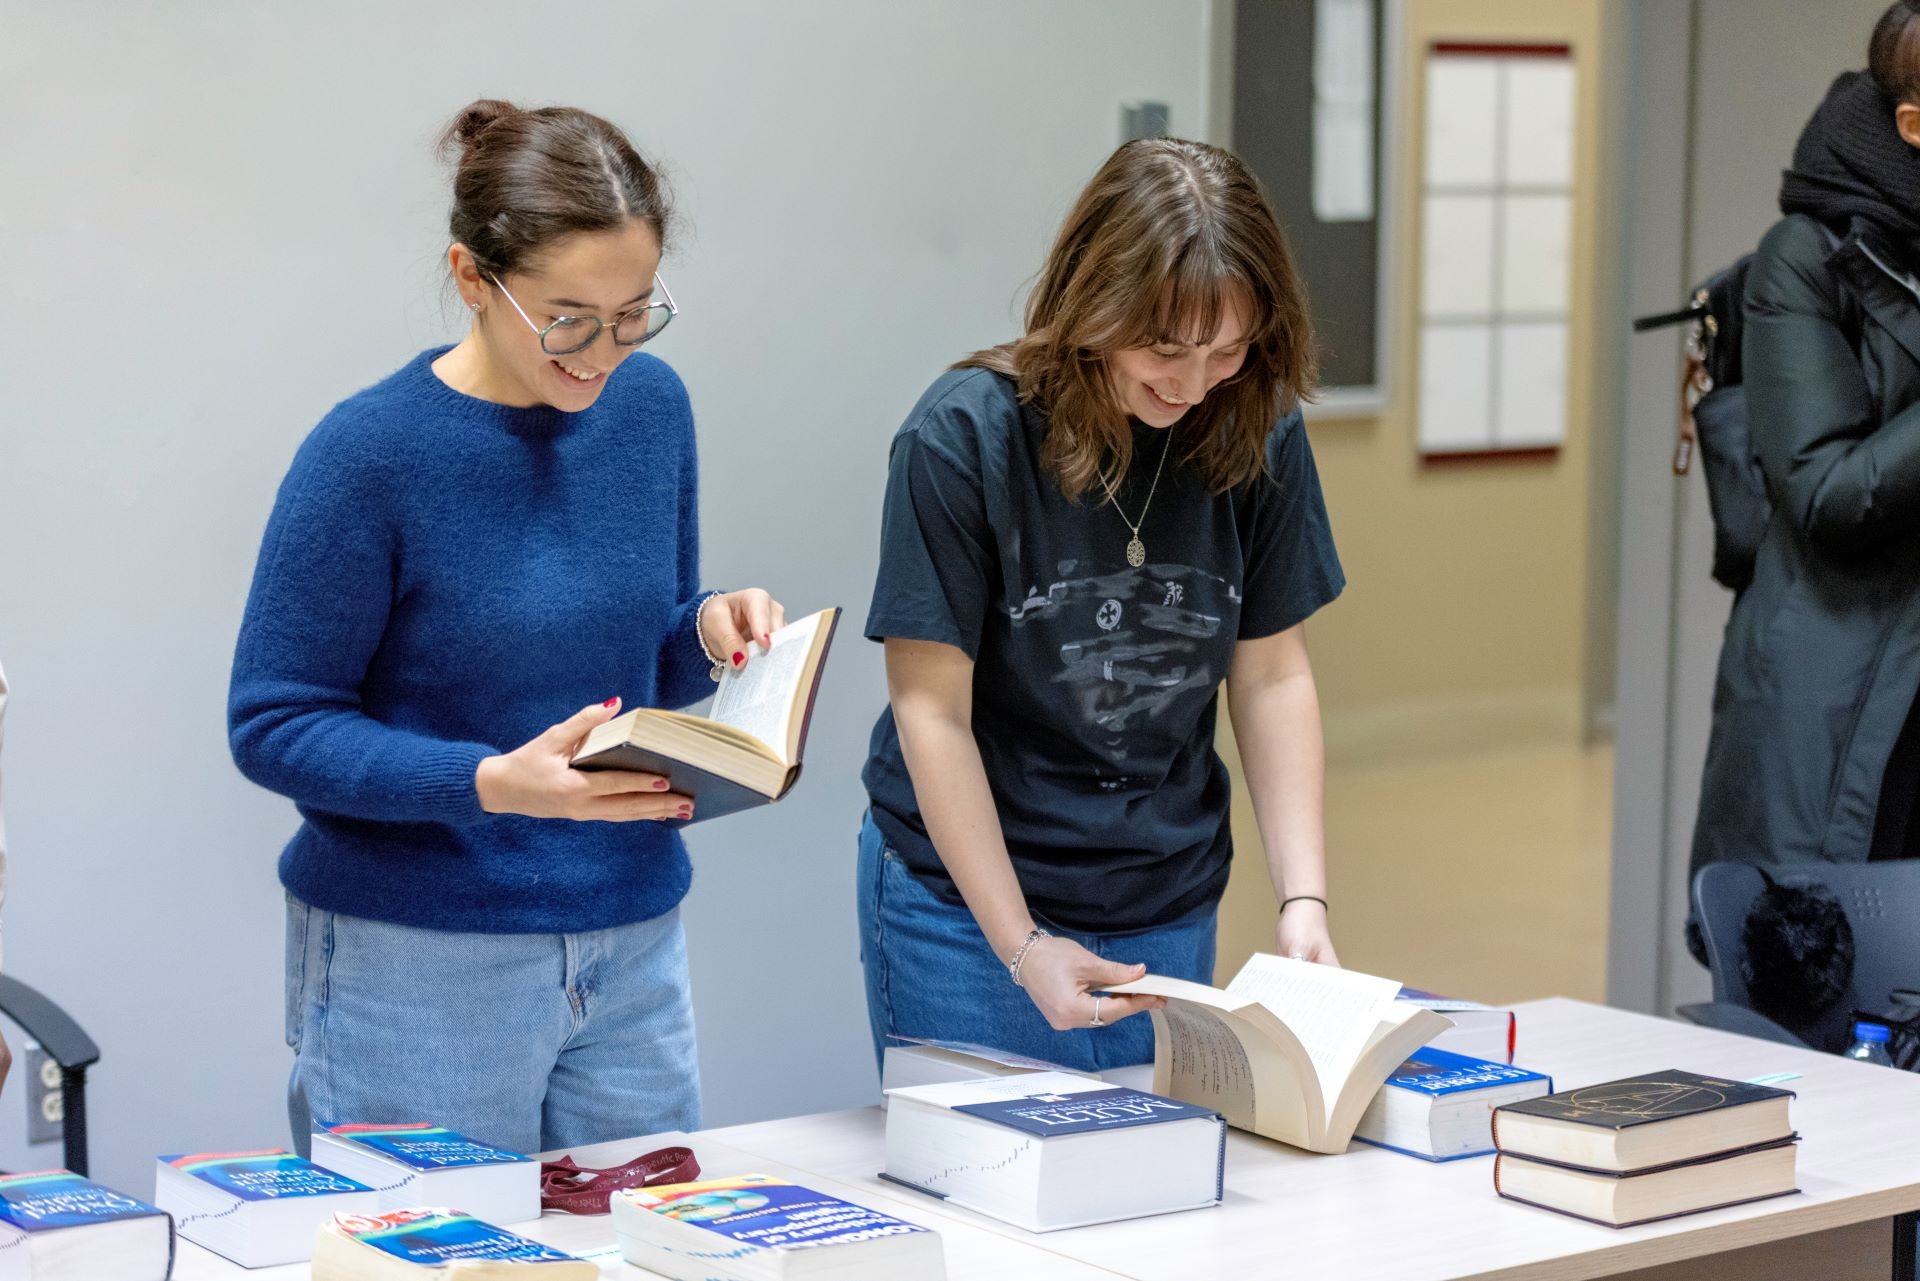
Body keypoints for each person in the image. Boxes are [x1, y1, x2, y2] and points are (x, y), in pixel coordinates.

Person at [229, 99, 782, 1155]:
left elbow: (635, 662)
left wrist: (708, 632)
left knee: (652, 1234)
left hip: (631, 940)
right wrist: (489, 782)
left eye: (634, 313)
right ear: (474, 278)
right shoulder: (369, 454)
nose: (602, 351)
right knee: (438, 1242)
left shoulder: (650, 409)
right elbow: (274, 724)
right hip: (418, 958)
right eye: (567, 317)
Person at [857, 138, 1345, 1073]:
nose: (1193, 384)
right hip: (968, 908)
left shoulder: (1258, 428)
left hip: (1166, 897)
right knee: (991, 1160)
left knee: (1154, 1159)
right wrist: (1021, 945)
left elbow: (1273, 675)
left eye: (1227, 350)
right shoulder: (962, 438)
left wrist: (1304, 901)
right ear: (1094, 303)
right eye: (1164, 349)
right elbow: (931, 712)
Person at [1690, 2, 1920, 908]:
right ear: (1915, 125)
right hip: (1835, 720)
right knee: (1827, 972)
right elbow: (1827, 492)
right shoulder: (1808, 258)